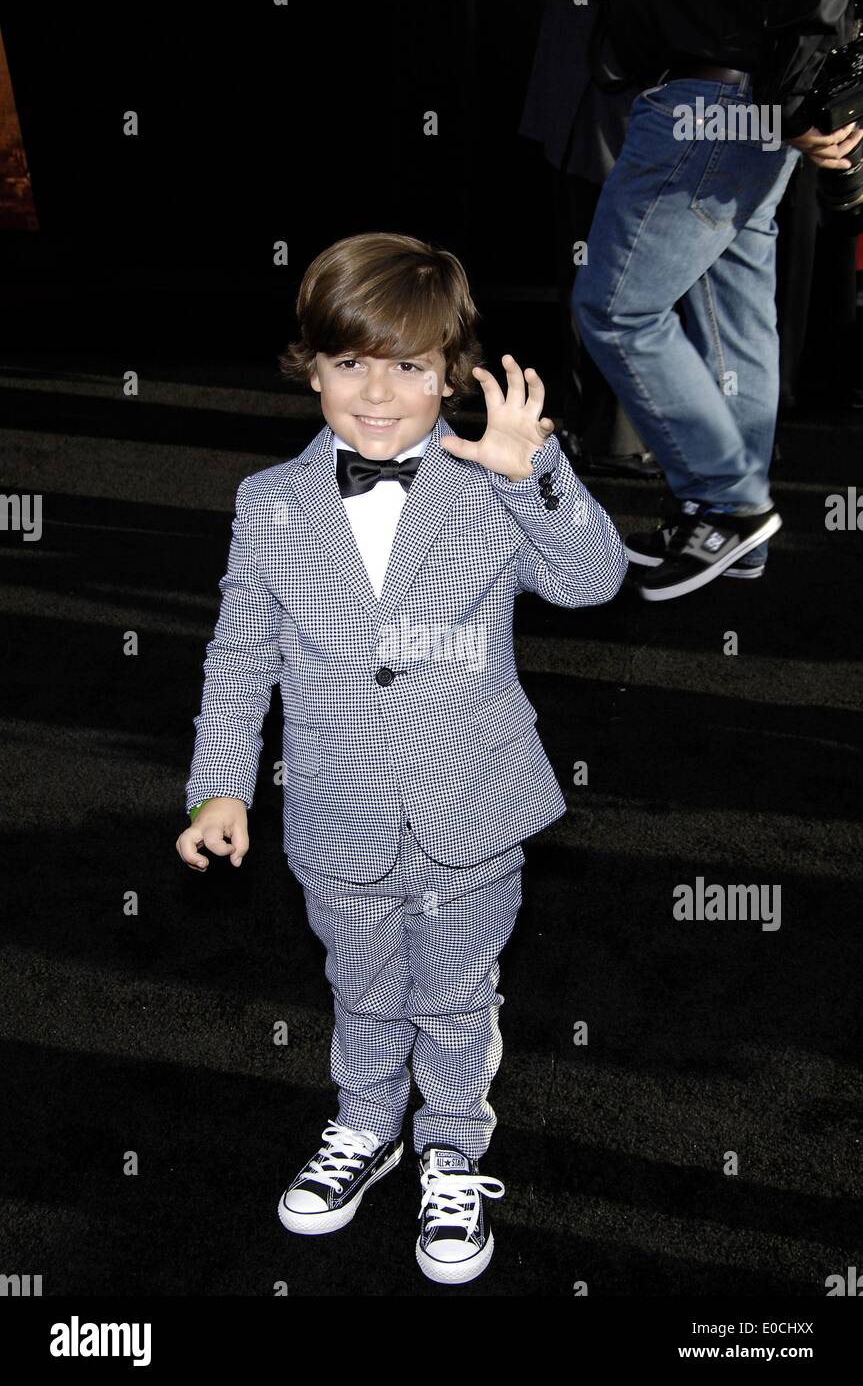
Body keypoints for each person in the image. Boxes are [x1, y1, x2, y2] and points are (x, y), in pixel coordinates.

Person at [175, 232, 628, 1284]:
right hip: (336, 813)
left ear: (451, 372)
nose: (376, 393)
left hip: (473, 804)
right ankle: (366, 1124)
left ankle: (452, 1152)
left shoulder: (489, 486)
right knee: (362, 989)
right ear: (309, 365)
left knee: (458, 996)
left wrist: (537, 474)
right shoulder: (268, 502)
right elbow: (239, 655)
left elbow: (593, 579)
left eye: (410, 367)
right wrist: (218, 785)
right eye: (349, 363)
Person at [572, 0, 861, 600]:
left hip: (716, 102)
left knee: (616, 309)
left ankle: (731, 506)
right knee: (732, 305)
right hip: (734, 102)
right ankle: (725, 522)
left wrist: (792, 102)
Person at [518, 0, 659, 478]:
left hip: (611, 93)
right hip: (616, 93)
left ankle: (601, 428)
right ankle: (610, 433)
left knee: (604, 271)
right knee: (620, 274)